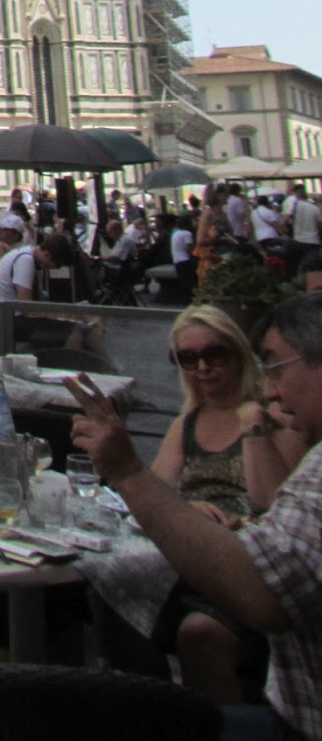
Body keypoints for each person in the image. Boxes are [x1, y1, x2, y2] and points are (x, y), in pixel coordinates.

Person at [69, 292, 322, 741]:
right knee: (118, 602)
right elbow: (163, 493)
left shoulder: (286, 423)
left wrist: (254, 425)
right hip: (194, 562)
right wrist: (182, 506)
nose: (202, 367)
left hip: (293, 709)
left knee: (196, 631)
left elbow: (268, 530)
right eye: (187, 358)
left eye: (213, 354)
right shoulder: (186, 422)